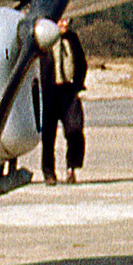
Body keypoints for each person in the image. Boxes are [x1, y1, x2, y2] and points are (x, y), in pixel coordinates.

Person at [38, 18, 87, 184]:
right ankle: (49, 172)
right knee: (48, 135)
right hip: (50, 93)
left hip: (69, 91)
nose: (64, 24)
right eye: (61, 21)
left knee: (75, 130)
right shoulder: (43, 41)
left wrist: (78, 83)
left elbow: (81, 61)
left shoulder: (72, 39)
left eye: (67, 21)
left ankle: (72, 168)